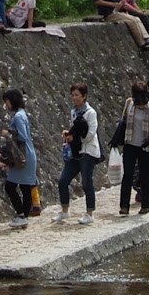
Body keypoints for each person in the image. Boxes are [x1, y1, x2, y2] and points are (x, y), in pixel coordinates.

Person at [55, 82, 100, 225]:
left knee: (87, 182)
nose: (74, 98)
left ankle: (89, 212)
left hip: (88, 151)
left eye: (77, 95)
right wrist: (69, 133)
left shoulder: (91, 113)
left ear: (84, 96)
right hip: (76, 151)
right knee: (63, 180)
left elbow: (91, 135)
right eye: (73, 95)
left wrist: (76, 136)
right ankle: (64, 210)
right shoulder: (73, 111)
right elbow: (75, 129)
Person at [118, 80, 149, 216]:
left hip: (144, 146)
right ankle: (124, 206)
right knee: (127, 175)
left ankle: (146, 204)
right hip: (130, 143)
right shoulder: (130, 104)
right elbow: (123, 120)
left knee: (144, 175)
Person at [0, 88, 37, 229]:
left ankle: (21, 215)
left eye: (7, 101)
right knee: (25, 187)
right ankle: (23, 216)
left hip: (23, 156)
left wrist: (9, 133)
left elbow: (22, 136)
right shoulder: (22, 114)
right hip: (28, 154)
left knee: (10, 186)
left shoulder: (18, 117)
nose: (6, 104)